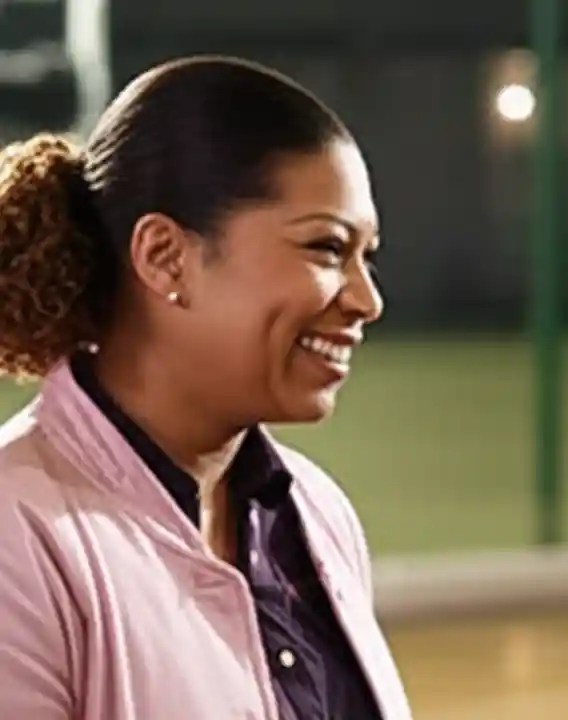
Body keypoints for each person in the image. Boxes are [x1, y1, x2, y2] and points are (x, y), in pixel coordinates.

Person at [0, 57, 413, 719]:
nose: (366, 300)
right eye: (326, 249)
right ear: (166, 256)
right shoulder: (16, 534)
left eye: (368, 256)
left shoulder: (317, 513)